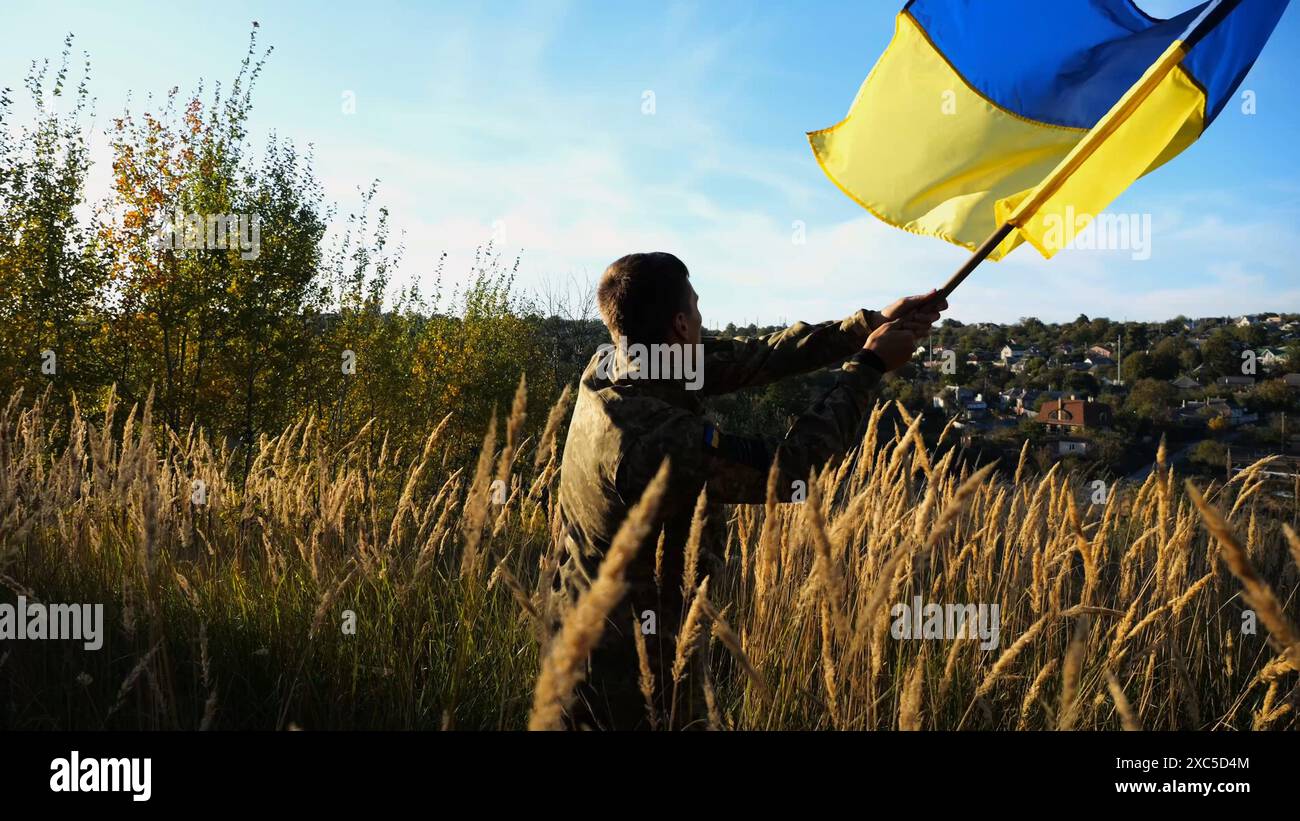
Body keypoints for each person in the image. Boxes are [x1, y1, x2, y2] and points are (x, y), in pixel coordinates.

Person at [552, 251, 944, 729]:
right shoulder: (655, 439)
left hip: (588, 639)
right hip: (627, 675)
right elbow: (796, 472)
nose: (701, 318)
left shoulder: (615, 363)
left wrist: (869, 325)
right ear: (679, 324)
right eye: (696, 308)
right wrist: (868, 368)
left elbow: (759, 358)